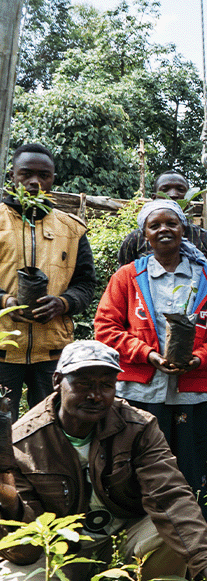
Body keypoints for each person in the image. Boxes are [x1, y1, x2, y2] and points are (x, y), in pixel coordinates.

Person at [0, 341, 207, 581]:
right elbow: (26, 547)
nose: (95, 395)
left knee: (168, 531)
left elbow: (173, 498)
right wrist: (10, 503)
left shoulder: (138, 427)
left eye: (106, 385)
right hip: (61, 550)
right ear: (57, 381)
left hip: (123, 538)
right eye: (83, 384)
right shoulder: (22, 442)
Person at [94, 199, 207, 526]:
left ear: (183, 229)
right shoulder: (128, 277)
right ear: (144, 234)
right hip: (141, 393)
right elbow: (105, 328)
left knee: (194, 469)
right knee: (138, 465)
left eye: (171, 223)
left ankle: (197, 538)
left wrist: (199, 358)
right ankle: (139, 536)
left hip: (195, 394)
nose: (164, 229)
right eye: (155, 225)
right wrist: (147, 354)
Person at [0, 144, 96, 412]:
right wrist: (6, 301)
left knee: (51, 421)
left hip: (52, 351)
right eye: (26, 174)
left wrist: (63, 304)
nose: (35, 182)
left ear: (53, 179)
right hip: (3, 347)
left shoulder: (71, 228)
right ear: (12, 176)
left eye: (44, 175)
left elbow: (86, 283)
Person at [116, 171, 207, 266]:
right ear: (154, 197)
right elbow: (124, 272)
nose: (173, 194)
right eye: (165, 190)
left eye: (180, 189)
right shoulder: (135, 240)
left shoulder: (204, 238)